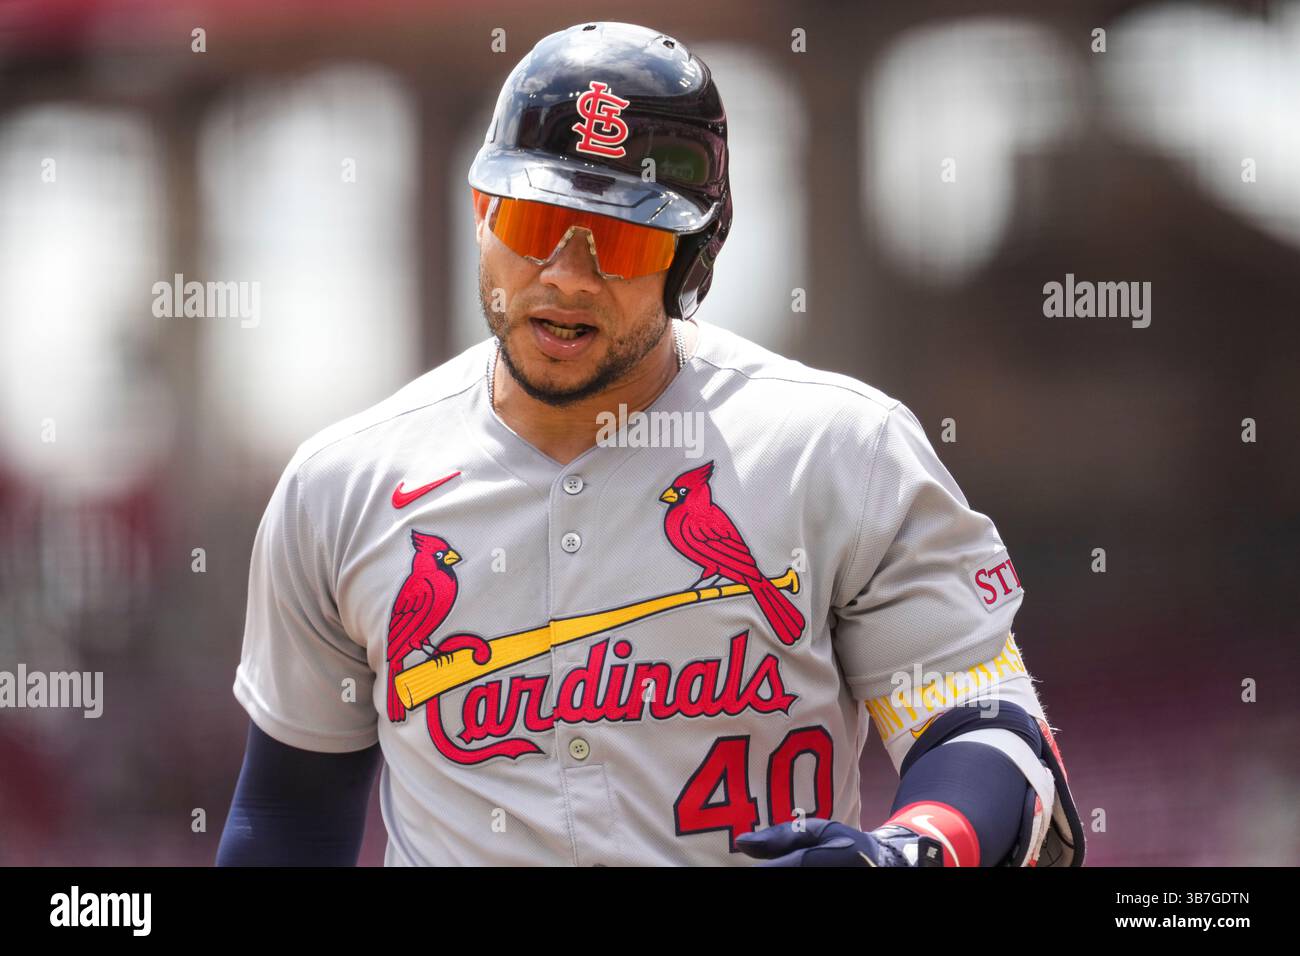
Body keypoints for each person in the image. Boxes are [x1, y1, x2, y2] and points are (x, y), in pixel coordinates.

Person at [217, 20, 1084, 867]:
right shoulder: (341, 486)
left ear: (693, 256)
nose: (562, 272)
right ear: (481, 209)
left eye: (622, 238)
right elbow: (286, 811)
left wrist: (907, 853)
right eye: (529, 220)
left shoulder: (839, 451)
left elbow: (991, 732)